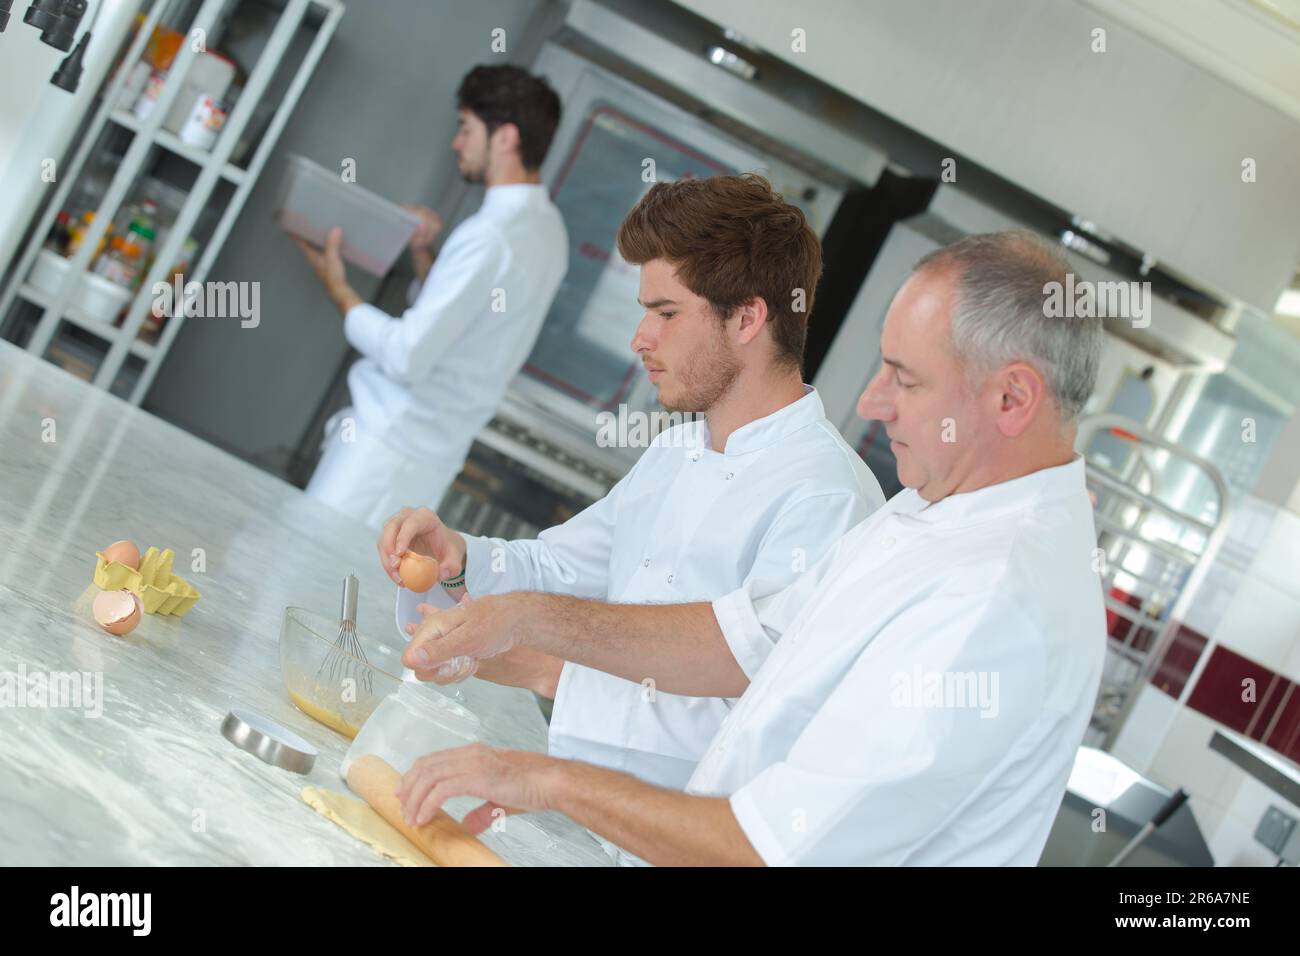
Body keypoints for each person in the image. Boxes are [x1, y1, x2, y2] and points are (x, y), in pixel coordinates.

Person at [394, 231, 1107, 866]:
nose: (870, 402)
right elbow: (736, 644)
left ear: (1012, 401)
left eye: (906, 379)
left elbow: (769, 850)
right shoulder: (931, 511)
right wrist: (515, 622)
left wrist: (547, 780)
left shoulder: (994, 602)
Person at [379, 174, 884, 806]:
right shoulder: (677, 450)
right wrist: (459, 562)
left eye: (666, 313)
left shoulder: (828, 498)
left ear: (749, 316)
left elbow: (756, 715)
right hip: (584, 812)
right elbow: (560, 566)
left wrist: (543, 668)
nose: (640, 338)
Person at [296, 65, 567, 528]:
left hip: (382, 455)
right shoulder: (549, 233)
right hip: (425, 461)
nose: (456, 143)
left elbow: (407, 355)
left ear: (505, 137)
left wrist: (339, 288)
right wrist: (425, 257)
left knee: (292, 578)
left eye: (466, 129)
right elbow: (469, 321)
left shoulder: (489, 235)